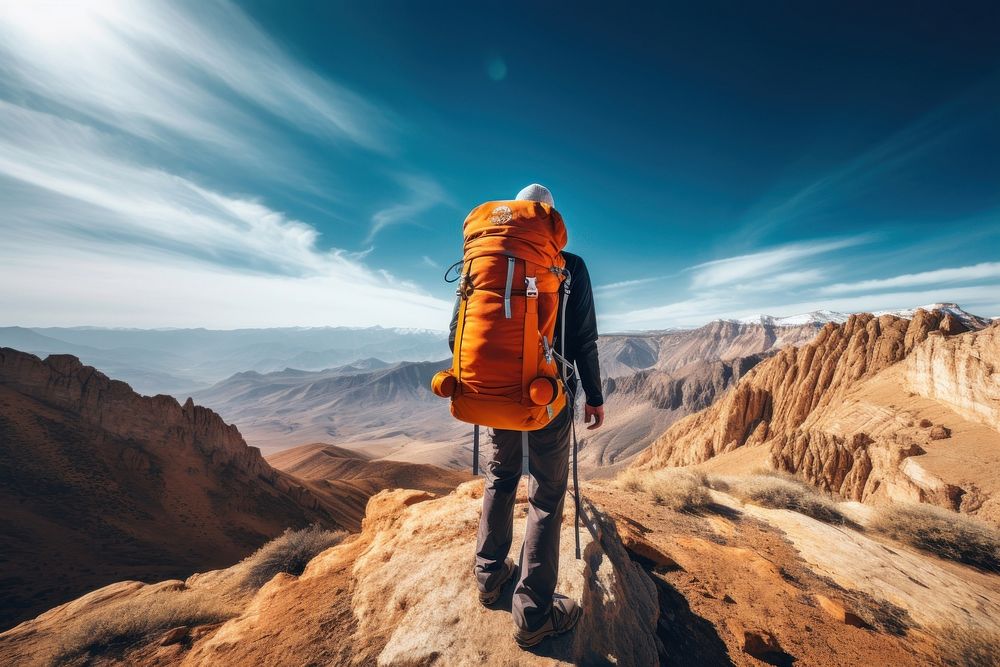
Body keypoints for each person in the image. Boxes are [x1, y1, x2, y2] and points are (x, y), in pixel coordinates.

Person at [448, 183, 605, 648]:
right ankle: (535, 614)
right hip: (546, 398)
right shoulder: (567, 266)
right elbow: (584, 341)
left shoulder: (484, 261)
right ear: (550, 223)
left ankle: (490, 576)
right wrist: (593, 396)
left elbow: (455, 330)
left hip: (495, 394)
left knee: (500, 477)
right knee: (547, 493)